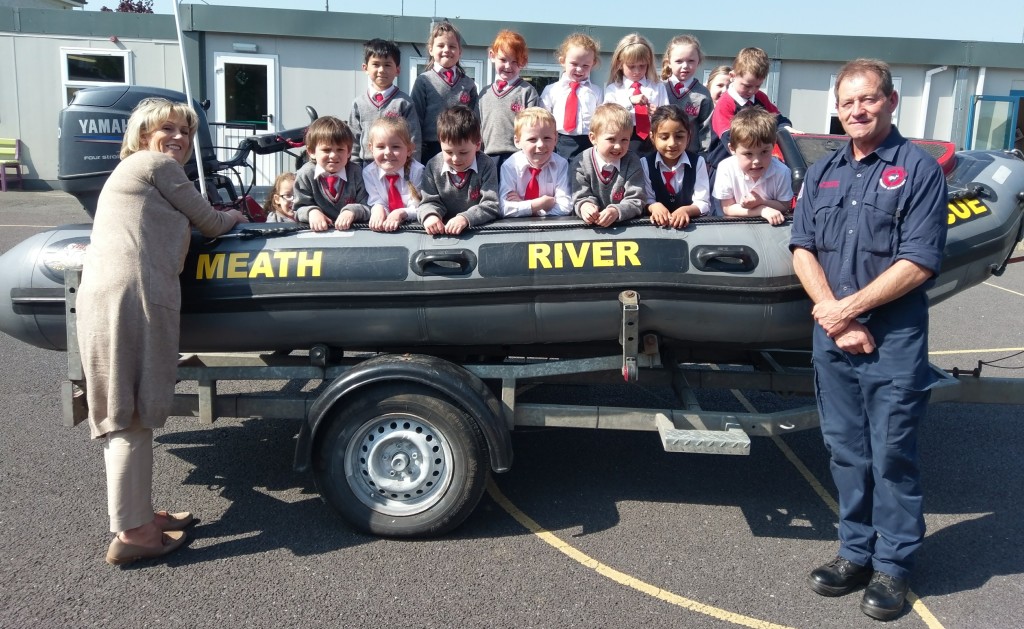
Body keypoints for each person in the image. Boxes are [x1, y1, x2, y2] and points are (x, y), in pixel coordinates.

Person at [790, 58, 948, 622]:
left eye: (868, 100)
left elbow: (920, 261)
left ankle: (894, 564)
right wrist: (835, 318)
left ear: (891, 101)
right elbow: (802, 246)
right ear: (837, 106)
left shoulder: (919, 172)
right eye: (848, 101)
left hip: (893, 342)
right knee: (846, 453)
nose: (857, 111)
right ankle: (855, 552)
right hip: (835, 340)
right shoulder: (824, 171)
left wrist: (848, 311)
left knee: (893, 456)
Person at [76, 97, 247, 566]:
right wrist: (236, 217)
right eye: (166, 128)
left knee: (123, 414)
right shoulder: (154, 165)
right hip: (133, 297)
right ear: (143, 134)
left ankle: (139, 518)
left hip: (108, 295)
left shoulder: (135, 172)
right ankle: (134, 535)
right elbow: (210, 221)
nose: (177, 138)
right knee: (130, 415)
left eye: (184, 132)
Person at [418, 104, 501, 235]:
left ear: (477, 145)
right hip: (442, 235)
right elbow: (427, 202)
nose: (456, 158)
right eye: (449, 152)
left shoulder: (486, 165)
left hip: (476, 233)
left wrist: (465, 218)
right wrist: (430, 216)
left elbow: (491, 204)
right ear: (440, 144)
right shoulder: (433, 166)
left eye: (463, 152)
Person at [411, 21, 479, 163]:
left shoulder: (468, 84)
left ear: (460, 51)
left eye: (452, 46)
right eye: (441, 45)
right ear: (431, 49)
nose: (446, 50)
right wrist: (416, 153)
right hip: (430, 149)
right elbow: (415, 120)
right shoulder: (423, 81)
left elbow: (475, 119)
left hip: (461, 149)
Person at [712, 108, 793, 226]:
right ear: (732, 149)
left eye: (764, 152)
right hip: (734, 228)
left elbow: (784, 205)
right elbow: (727, 208)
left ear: (774, 144)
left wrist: (761, 202)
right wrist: (761, 210)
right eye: (748, 154)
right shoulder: (726, 168)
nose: (757, 161)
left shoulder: (782, 171)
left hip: (770, 229)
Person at [571, 103, 646, 227]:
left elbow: (637, 199)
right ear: (593, 138)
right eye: (611, 139)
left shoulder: (632, 161)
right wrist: (585, 206)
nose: (618, 146)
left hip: (624, 228)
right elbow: (579, 196)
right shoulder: (580, 162)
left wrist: (616, 211)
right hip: (590, 230)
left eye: (624, 140)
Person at [349, 38, 422, 165]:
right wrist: (355, 168)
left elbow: (414, 139)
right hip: (366, 167)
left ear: (397, 70)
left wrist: (410, 168)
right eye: (376, 64)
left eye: (387, 65)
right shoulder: (358, 103)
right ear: (365, 68)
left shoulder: (404, 103)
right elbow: (353, 140)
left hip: (397, 165)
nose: (381, 70)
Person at [293, 116, 369, 232]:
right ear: (312, 152)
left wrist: (351, 211)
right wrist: (312, 212)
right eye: (326, 150)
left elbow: (367, 207)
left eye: (340, 150)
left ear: (349, 152)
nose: (333, 155)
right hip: (318, 236)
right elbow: (298, 209)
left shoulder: (356, 173)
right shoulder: (305, 174)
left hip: (353, 235)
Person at [480, 30, 539, 172]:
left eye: (515, 62)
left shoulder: (527, 92)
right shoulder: (484, 93)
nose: (508, 66)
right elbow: (477, 127)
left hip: (517, 157)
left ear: (523, 62)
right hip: (487, 157)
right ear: (492, 56)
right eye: (503, 60)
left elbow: (534, 128)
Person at [641, 105, 710, 228]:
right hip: (656, 230)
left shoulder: (698, 162)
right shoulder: (645, 164)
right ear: (652, 137)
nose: (672, 143)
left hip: (690, 229)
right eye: (664, 137)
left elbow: (703, 202)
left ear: (689, 136)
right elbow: (645, 199)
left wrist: (686, 210)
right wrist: (653, 206)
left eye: (679, 136)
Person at [540, 32, 602, 162]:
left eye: (585, 65)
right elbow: (543, 118)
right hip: (559, 141)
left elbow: (600, 120)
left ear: (593, 63)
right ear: (563, 61)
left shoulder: (596, 92)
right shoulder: (551, 90)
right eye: (574, 64)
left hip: (588, 142)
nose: (579, 69)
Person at [602, 33, 667, 156]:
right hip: (623, 140)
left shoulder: (658, 87)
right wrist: (630, 101)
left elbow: (668, 114)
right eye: (631, 66)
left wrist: (658, 113)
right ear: (620, 64)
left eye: (642, 66)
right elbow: (608, 116)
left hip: (653, 138)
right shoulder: (614, 89)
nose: (637, 71)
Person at [499, 107, 571, 218]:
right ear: (517, 141)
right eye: (532, 139)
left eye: (547, 138)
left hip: (551, 229)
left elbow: (565, 207)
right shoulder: (510, 166)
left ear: (556, 138)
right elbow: (503, 208)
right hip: (517, 229)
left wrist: (527, 209)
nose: (541, 145)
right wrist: (538, 205)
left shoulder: (561, 165)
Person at [361, 116, 424, 232]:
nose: (388, 152)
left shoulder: (418, 171)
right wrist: (378, 209)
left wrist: (401, 213)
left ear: (409, 149)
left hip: (413, 228)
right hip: (385, 228)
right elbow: (376, 200)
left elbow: (418, 207)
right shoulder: (369, 173)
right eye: (380, 147)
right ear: (371, 148)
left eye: (395, 147)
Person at [661, 35, 714, 154]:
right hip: (661, 155)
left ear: (698, 61)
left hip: (691, 156)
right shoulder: (659, 89)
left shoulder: (703, 94)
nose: (685, 66)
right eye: (679, 61)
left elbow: (706, 129)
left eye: (691, 61)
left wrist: (703, 156)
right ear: (668, 62)